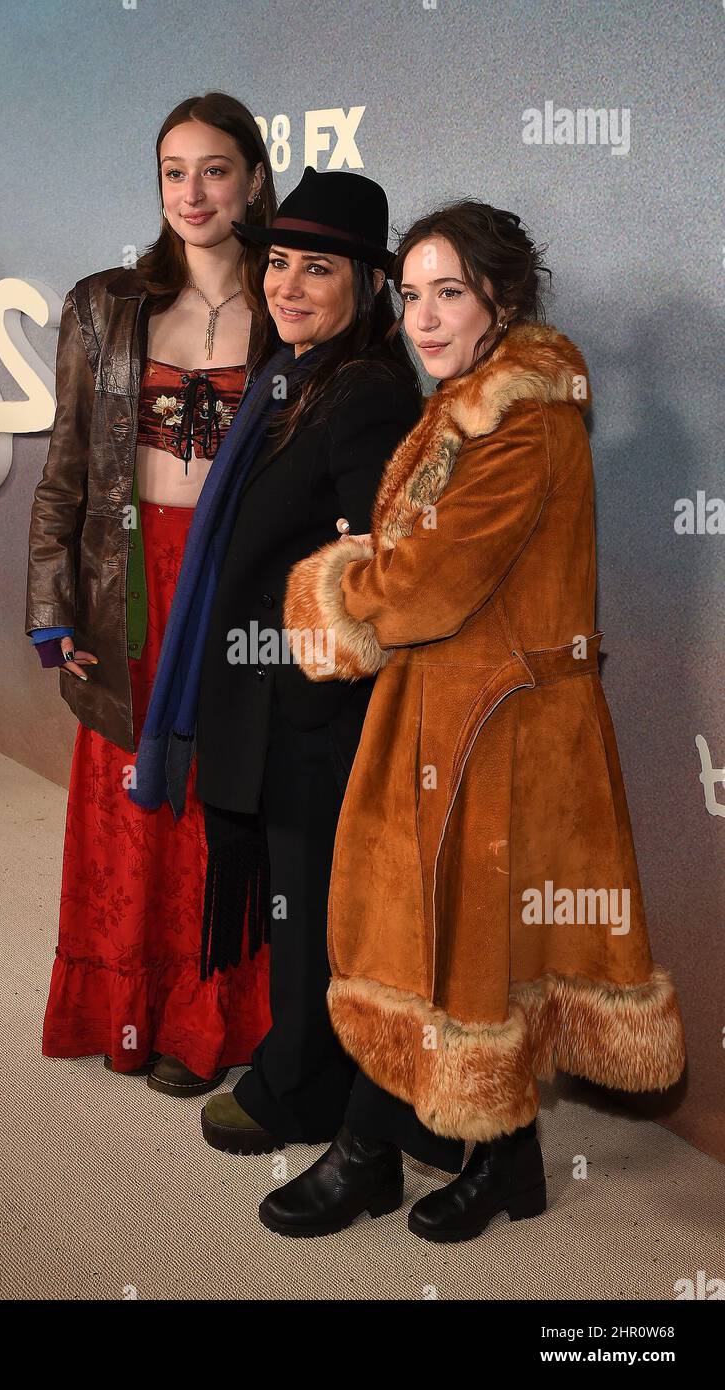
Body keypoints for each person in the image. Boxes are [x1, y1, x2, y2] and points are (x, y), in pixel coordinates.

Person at [276, 200, 687, 1241]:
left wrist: (331, 590)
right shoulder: (470, 406)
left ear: (501, 298)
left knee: (446, 950)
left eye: (448, 292)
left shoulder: (524, 423)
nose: (421, 316)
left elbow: (435, 583)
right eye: (410, 295)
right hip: (458, 713)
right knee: (465, 950)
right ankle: (506, 1161)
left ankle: (375, 1155)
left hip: (496, 730)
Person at [130, 166, 465, 1177]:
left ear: (369, 286)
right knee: (297, 898)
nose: (287, 284)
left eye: (318, 268)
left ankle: (301, 1085)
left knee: (317, 908)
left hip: (307, 707)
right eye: (278, 262)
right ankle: (302, 1069)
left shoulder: (361, 393)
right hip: (264, 696)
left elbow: (387, 557)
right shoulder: (291, 375)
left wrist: (307, 657)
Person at [25, 93, 280, 1094]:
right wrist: (53, 610)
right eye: (174, 171)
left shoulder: (295, 303)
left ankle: (211, 1016)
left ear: (254, 178)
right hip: (129, 579)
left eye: (215, 169)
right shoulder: (104, 304)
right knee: (135, 804)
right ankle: (127, 1005)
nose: (194, 192)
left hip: (239, 584)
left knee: (224, 800)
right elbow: (66, 470)